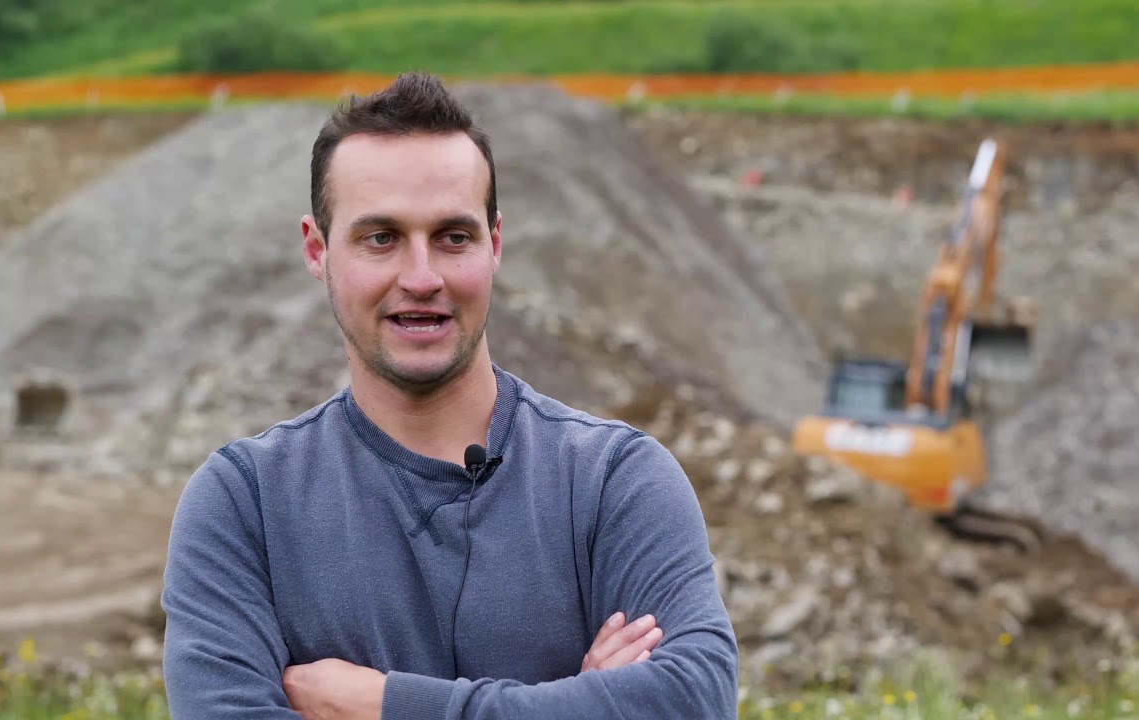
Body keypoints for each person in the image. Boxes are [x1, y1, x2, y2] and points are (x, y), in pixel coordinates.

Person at [160, 71, 739, 719]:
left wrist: (383, 704)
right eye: (380, 238)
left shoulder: (614, 482)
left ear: (494, 245)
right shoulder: (245, 506)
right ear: (318, 249)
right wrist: (573, 703)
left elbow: (694, 701)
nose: (421, 276)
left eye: (452, 237)